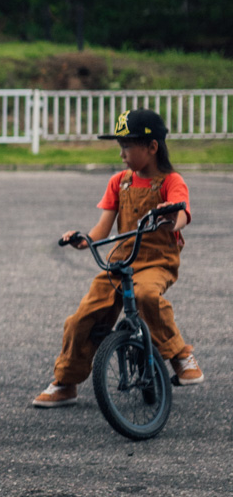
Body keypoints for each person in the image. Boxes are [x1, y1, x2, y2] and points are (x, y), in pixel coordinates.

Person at [33, 108, 203, 407]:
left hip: (156, 261)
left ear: (152, 147)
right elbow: (101, 229)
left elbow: (181, 213)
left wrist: (172, 220)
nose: (122, 154)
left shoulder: (170, 181)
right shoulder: (119, 182)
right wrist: (83, 240)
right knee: (81, 319)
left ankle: (180, 355)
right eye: (120, 146)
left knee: (146, 295)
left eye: (127, 146)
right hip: (122, 262)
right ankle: (66, 382)